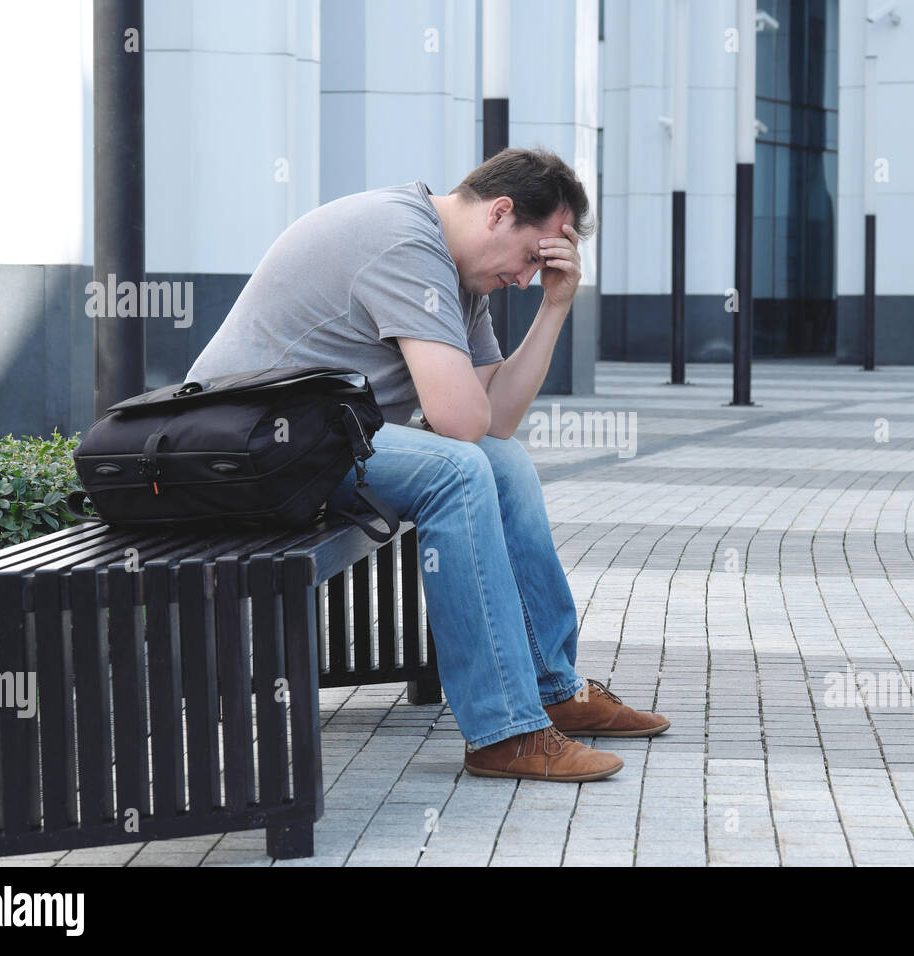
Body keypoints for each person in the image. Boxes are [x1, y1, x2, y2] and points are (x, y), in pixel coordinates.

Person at [186, 147, 669, 783]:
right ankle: (504, 730)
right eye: (531, 257)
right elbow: (459, 424)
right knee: (457, 471)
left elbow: (494, 423)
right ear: (500, 213)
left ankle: (552, 688)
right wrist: (462, 421)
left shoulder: (457, 274)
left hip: (311, 444)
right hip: (246, 452)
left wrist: (555, 305)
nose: (526, 279)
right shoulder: (403, 243)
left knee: (504, 463)